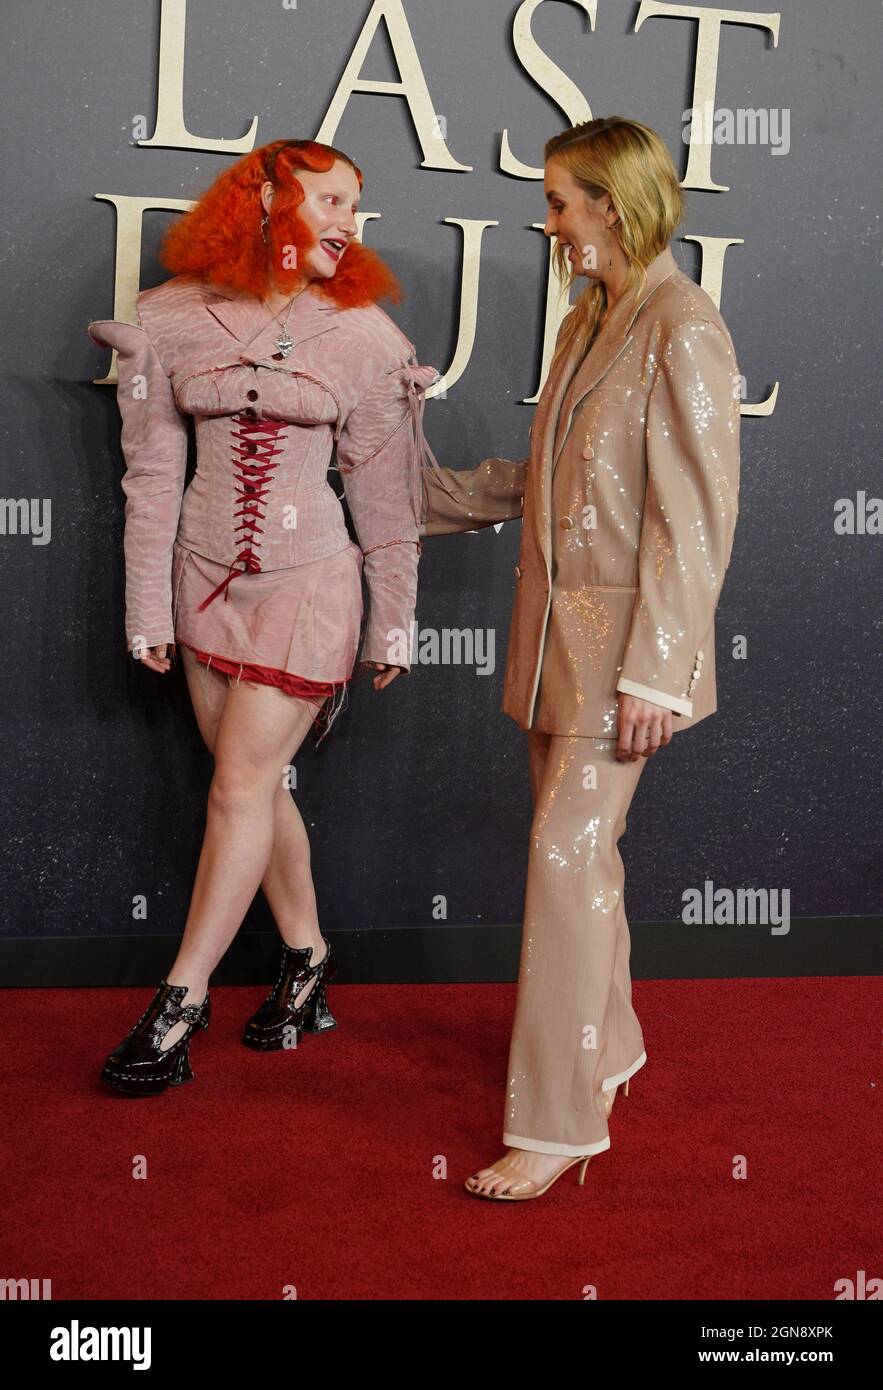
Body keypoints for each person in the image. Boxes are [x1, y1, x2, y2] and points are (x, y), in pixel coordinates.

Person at [420, 116, 741, 1200]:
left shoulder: (681, 321)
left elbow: (693, 516)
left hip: (622, 662)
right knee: (583, 860)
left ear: (613, 202)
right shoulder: (587, 320)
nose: (548, 221)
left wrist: (658, 668)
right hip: (554, 648)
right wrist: (424, 495)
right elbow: (545, 479)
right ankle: (612, 1045)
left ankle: (558, 1123)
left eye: (560, 200)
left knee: (561, 861)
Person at [87, 139, 440, 1094]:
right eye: (329, 200)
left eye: (356, 206)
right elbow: (152, 479)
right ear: (264, 202)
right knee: (258, 786)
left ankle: (180, 999)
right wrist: (145, 608)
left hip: (309, 585)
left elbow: (384, 502)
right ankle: (307, 960)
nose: (347, 222)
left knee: (239, 788)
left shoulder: (368, 339)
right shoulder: (168, 321)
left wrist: (393, 624)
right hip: (203, 586)